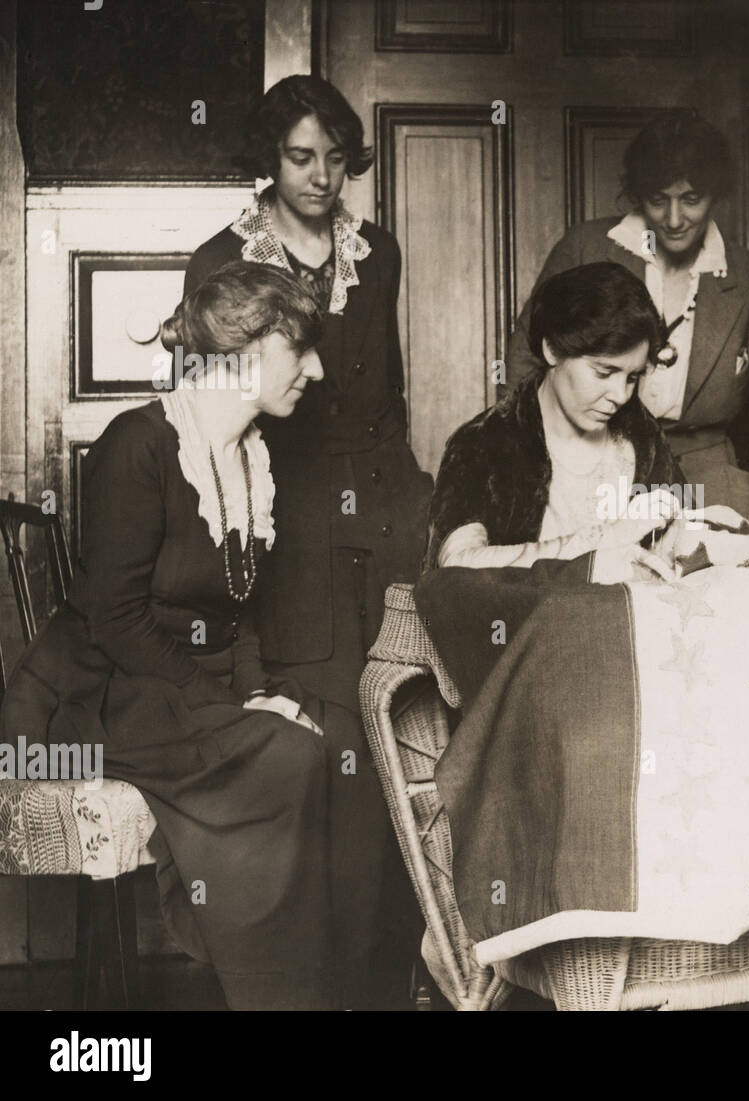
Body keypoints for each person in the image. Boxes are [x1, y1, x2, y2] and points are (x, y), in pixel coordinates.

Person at [0, 263, 387, 1009]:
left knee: (333, 734)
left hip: (172, 686)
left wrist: (260, 694)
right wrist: (237, 712)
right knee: (285, 750)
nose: (318, 368)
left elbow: (238, 614)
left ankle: (324, 991)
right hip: (94, 696)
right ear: (241, 351)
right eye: (298, 347)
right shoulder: (140, 445)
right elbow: (114, 619)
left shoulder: (248, 458)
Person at [185, 75, 429, 1001]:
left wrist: (413, 506)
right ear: (269, 158)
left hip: (384, 510)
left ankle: (386, 970)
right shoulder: (223, 255)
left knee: (393, 718)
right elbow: (211, 409)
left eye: (334, 155)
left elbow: (392, 393)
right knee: (322, 731)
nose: (321, 174)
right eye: (299, 156)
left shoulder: (381, 251)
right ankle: (310, 974)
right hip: (286, 518)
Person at [504, 108, 749, 515]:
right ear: (639, 194)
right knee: (599, 570)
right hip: (596, 457)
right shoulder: (587, 247)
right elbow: (527, 355)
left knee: (708, 571)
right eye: (658, 201)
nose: (675, 219)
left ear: (715, 194)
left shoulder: (748, 273)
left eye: (692, 200)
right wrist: (540, 456)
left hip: (709, 475)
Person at [429, 262, 687, 581]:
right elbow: (457, 565)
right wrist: (602, 542)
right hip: (520, 629)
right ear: (552, 350)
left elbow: (681, 540)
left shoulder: (641, 434)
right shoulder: (484, 442)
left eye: (632, 377)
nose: (620, 395)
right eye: (604, 373)